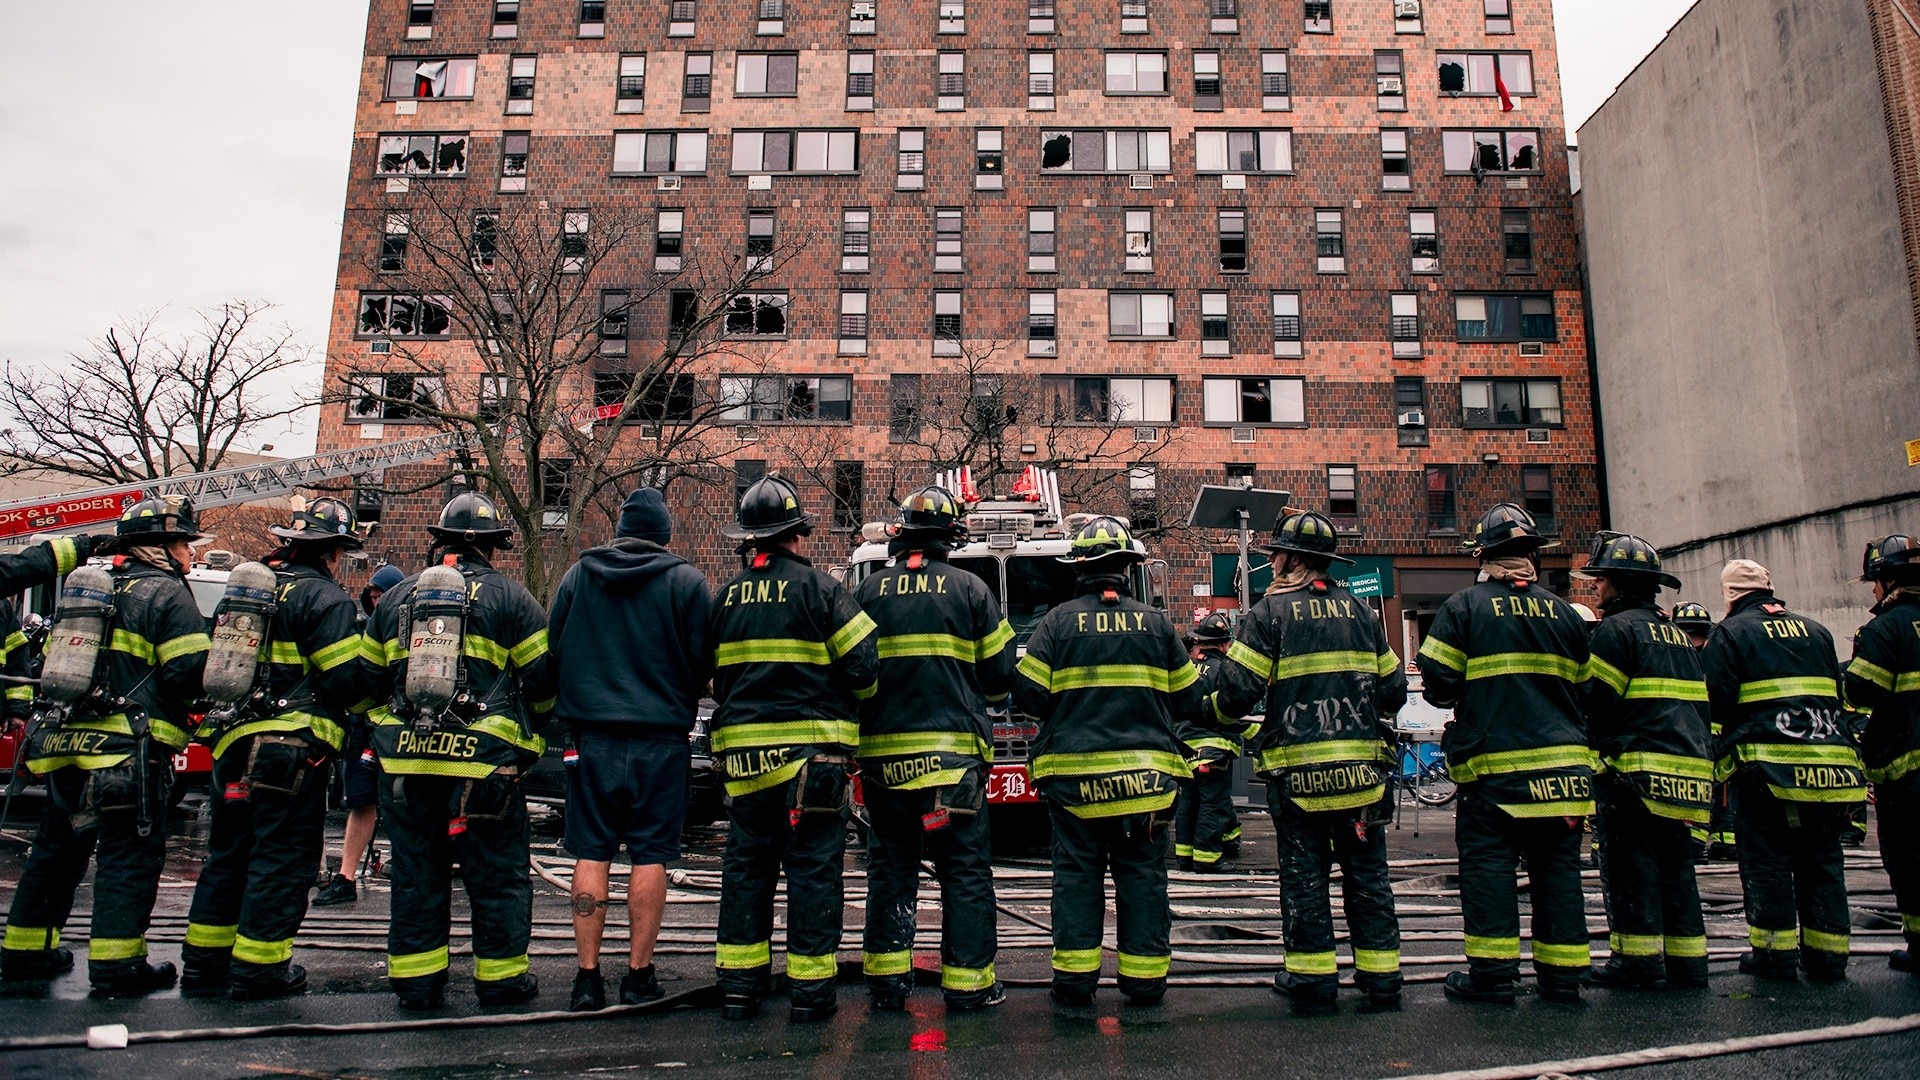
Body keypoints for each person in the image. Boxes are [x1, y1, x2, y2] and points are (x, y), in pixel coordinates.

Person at [1, 500, 208, 996]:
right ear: (160, 547)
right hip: (129, 751)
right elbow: (187, 673)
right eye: (184, 543)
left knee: (55, 851)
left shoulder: (89, 591)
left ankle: (25, 953)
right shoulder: (167, 593)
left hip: (64, 745)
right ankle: (119, 965)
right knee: (128, 856)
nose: (189, 554)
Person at [361, 491, 558, 1010]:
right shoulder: (513, 600)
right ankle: (500, 982)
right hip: (485, 768)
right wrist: (530, 734)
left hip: (405, 766)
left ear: (441, 541)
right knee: (497, 877)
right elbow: (543, 682)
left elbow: (365, 683)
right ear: (493, 547)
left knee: (416, 876)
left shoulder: (396, 598)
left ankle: (417, 984)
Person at [1213, 511, 1407, 1010]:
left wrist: (1210, 711)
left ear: (1290, 559)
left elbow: (1236, 693)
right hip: (1363, 779)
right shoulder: (1363, 613)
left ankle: (1313, 979)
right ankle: (1382, 978)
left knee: (1305, 876)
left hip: (1300, 780)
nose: (1273, 561)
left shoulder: (1269, 614)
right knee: (1368, 877)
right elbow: (1393, 692)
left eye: (1277, 554)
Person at [182, 499, 372, 999]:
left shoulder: (245, 594)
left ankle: (204, 964)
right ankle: (259, 969)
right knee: (282, 859)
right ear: (334, 552)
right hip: (291, 751)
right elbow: (345, 680)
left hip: (231, 744)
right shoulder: (326, 599)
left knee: (227, 855)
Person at [1014, 516, 1205, 1008]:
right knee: (1142, 878)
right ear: (1127, 568)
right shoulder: (1157, 625)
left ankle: (1075, 983)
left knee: (1077, 878)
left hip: (1074, 785)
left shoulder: (1056, 623)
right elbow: (1190, 699)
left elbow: (1029, 696)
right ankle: (1145, 982)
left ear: (1078, 569)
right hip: (1145, 787)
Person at [709, 475, 879, 1023]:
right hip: (813, 763)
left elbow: (710, 677)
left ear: (749, 539)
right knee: (813, 872)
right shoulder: (823, 591)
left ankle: (740, 988)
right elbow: (864, 670)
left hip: (744, 763)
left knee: (746, 869)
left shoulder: (725, 598)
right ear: (797, 534)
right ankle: (810, 993)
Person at [1416, 503, 1595, 1005]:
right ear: (1533, 555)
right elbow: (1585, 689)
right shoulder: (1565, 614)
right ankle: (1563, 977)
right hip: (1564, 775)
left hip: (1496, 773)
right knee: (1557, 874)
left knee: (1490, 870)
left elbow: (1439, 686)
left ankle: (1493, 977)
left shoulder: (1464, 608)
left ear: (1483, 556)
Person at [548, 489, 713, 1011]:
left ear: (620, 532)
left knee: (591, 852)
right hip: (661, 740)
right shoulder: (687, 582)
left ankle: (587, 978)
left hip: (591, 738)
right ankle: (639, 975)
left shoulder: (579, 576)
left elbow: (554, 647)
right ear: (665, 534)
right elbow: (704, 661)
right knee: (651, 855)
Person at [854, 485, 1016, 1012]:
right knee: (963, 872)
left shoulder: (868, 592)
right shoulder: (971, 590)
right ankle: (969, 988)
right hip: (953, 770)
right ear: (952, 538)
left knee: (890, 869)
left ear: (902, 536)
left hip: (885, 768)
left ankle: (887, 985)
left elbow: (851, 674)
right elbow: (1000, 677)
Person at [1704, 558, 1864, 982]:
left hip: (1766, 772)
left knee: (1767, 862)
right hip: (1827, 769)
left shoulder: (1730, 633)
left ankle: (1774, 956)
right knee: (1822, 862)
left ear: (1730, 595)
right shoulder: (1817, 631)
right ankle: (1828, 958)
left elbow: (1715, 702)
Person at [1576, 534, 1713, 991]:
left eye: (1601, 579)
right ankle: (1688, 965)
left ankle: (1637, 964)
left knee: (1631, 870)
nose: (1596, 587)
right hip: (1686, 771)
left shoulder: (1616, 632)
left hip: (1633, 773)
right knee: (1677, 870)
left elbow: (1597, 700)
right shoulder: (1676, 635)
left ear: (1618, 583)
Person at [1844, 535, 1920, 973]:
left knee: (1910, 859)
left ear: (1889, 580)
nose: (1873, 591)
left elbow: (1861, 690)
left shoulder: (1886, 629)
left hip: (1907, 773)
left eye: (1874, 582)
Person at [316, 563, 407, 907]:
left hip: (396, 728)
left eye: (383, 595)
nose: (377, 601)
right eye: (373, 595)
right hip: (364, 726)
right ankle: (346, 876)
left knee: (403, 802)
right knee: (360, 800)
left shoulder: (404, 632)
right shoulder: (360, 629)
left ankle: (407, 869)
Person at [1173, 612, 1252, 873]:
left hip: (1186, 749)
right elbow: (1231, 710)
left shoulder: (1189, 670)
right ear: (1224, 644)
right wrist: (1256, 731)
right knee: (1212, 803)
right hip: (1214, 750)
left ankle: (1184, 855)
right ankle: (1207, 857)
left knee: (1189, 802)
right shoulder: (1224, 671)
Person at [1672, 600, 1735, 858]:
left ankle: (1697, 842)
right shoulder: (1718, 655)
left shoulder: (1677, 659)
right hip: (1721, 736)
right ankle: (1726, 840)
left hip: (1695, 736)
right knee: (1721, 789)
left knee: (1698, 788)